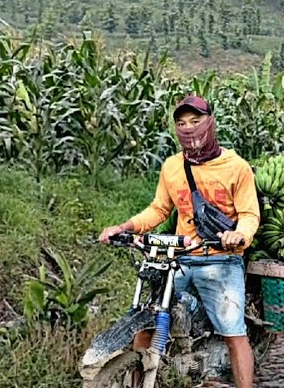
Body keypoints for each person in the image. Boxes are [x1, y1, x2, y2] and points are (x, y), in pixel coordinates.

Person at [98, 95, 260, 388]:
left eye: (195, 122)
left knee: (233, 331)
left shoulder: (236, 166)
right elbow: (159, 209)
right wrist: (124, 227)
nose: (188, 129)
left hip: (221, 258)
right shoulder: (172, 167)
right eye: (182, 123)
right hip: (179, 260)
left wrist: (240, 234)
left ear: (210, 123)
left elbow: (249, 214)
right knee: (147, 322)